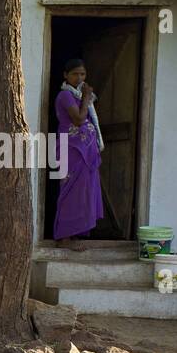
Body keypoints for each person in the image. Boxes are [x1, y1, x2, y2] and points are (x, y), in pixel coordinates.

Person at [52, 58, 105, 250]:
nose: (79, 78)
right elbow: (79, 119)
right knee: (70, 191)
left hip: (85, 152)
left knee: (83, 192)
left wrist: (85, 98)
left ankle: (73, 233)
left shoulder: (80, 96)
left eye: (82, 74)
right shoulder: (66, 96)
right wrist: (85, 98)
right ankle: (63, 237)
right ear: (66, 75)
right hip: (71, 150)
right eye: (75, 74)